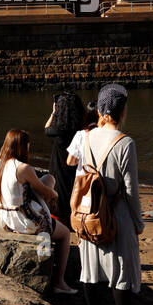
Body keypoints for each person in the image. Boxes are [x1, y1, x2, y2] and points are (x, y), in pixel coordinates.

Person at [73, 83, 147, 305]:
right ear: (122, 111)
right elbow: (131, 190)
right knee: (122, 272)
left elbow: (80, 176)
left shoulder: (85, 136)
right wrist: (138, 223)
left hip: (90, 213)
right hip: (116, 215)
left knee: (90, 268)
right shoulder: (125, 143)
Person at [0, 128, 75, 295]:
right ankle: (59, 282)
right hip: (25, 220)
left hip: (7, 218)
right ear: (22, 147)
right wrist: (55, 195)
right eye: (27, 145)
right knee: (65, 234)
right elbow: (46, 192)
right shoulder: (23, 168)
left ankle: (49, 232)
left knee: (49, 178)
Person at [44, 89, 85, 220]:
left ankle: (63, 217)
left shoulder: (58, 129)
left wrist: (54, 113)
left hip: (59, 165)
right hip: (75, 163)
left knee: (60, 190)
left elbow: (46, 128)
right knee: (75, 188)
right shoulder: (81, 127)